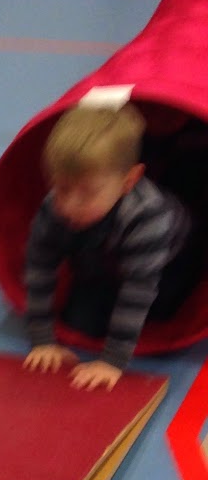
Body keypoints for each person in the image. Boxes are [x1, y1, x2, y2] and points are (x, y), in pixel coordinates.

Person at [22, 103, 199, 391]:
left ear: (128, 181)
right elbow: (38, 268)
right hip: (105, 246)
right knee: (80, 323)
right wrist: (42, 339)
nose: (69, 205)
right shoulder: (54, 210)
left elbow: (138, 291)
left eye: (87, 193)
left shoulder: (148, 218)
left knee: (159, 313)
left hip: (173, 257)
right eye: (62, 188)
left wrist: (112, 361)